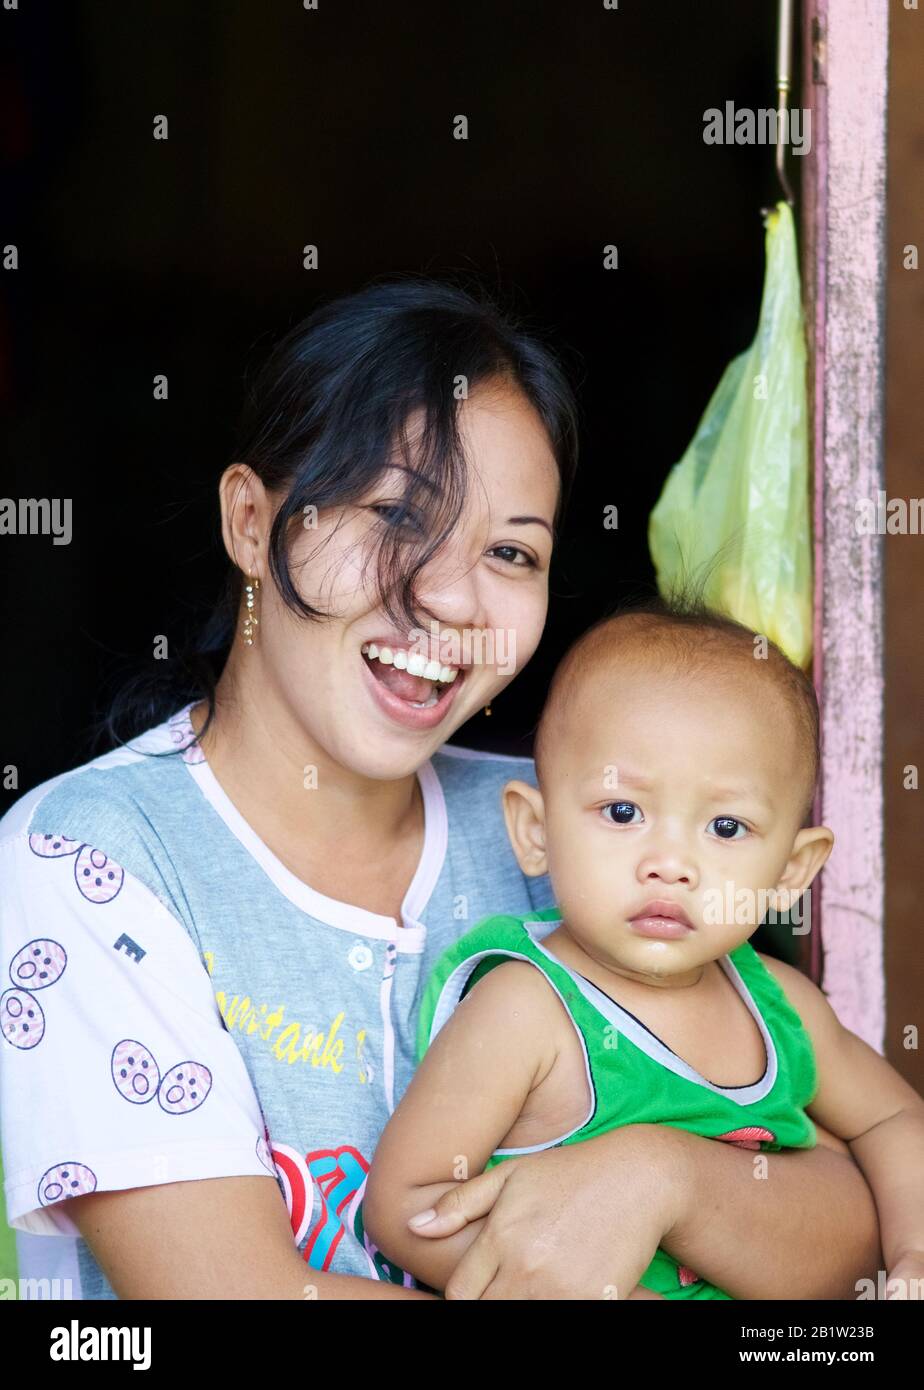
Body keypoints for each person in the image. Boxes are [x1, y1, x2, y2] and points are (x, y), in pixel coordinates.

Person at [0, 280, 880, 1300]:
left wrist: (665, 1175)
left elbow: (847, 1212)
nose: (452, 598)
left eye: (511, 551)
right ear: (250, 519)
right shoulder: (92, 860)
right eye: (397, 516)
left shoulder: (586, 835)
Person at [364, 601, 924, 1299]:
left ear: (791, 871)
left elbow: (895, 1117)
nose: (671, 863)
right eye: (623, 812)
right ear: (535, 831)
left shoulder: (783, 1009)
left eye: (725, 825)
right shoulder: (526, 1009)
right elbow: (404, 1205)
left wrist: (913, 1255)